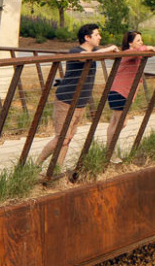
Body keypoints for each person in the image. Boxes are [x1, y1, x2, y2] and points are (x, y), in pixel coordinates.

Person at [36, 22, 105, 168]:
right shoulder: (76, 51)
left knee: (68, 138)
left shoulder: (94, 52)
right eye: (97, 34)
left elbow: (102, 55)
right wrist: (110, 49)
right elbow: (85, 57)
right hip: (66, 102)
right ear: (87, 37)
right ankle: (36, 165)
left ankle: (56, 170)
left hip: (80, 103)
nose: (100, 37)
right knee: (61, 138)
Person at [102, 28, 155, 157]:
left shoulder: (135, 54)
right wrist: (151, 47)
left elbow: (146, 53)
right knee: (120, 122)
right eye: (138, 40)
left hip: (122, 92)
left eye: (141, 40)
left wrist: (154, 49)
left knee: (115, 122)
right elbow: (142, 50)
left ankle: (109, 151)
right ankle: (110, 152)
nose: (141, 43)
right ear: (130, 43)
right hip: (119, 92)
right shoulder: (129, 53)